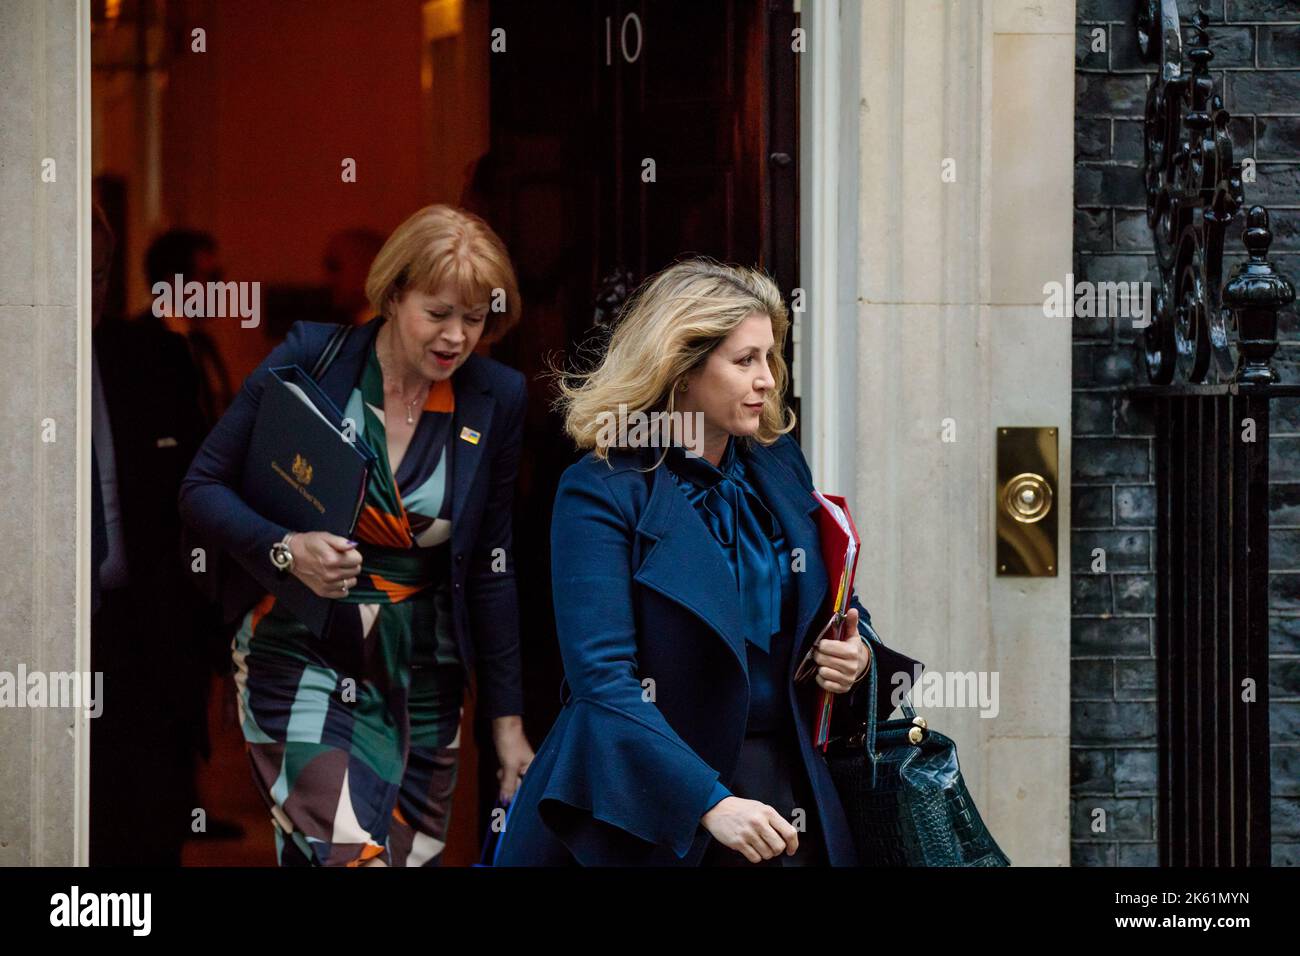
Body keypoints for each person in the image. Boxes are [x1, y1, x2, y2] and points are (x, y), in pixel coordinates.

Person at [492, 259, 925, 866]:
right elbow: (603, 683)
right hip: (649, 806)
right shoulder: (600, 489)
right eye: (744, 360)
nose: (768, 379)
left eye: (770, 358)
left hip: (787, 794)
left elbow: (837, 609)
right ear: (682, 369)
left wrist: (854, 656)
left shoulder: (779, 465)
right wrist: (707, 802)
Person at [178, 204, 535, 866]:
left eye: (475, 318)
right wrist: (286, 548)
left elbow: (491, 566)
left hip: (427, 669)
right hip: (302, 647)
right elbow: (201, 489)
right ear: (395, 292)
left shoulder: (496, 396)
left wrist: (507, 725)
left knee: (395, 856)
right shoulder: (313, 359)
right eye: (438, 313)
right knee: (350, 855)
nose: (457, 336)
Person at [89, 204, 215, 865]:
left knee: (141, 837)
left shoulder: (153, 358)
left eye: (101, 275)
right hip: (39, 644)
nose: (88, 294)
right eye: (72, 274)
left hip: (139, 638)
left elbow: (202, 496)